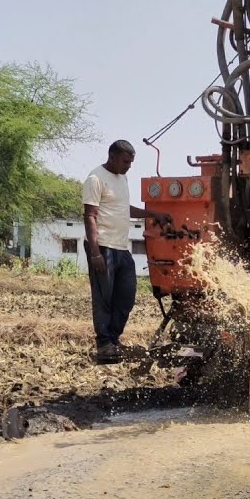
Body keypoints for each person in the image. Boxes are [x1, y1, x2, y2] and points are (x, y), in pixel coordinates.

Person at [82, 140, 171, 362]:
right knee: (104, 298)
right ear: (112, 156)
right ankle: (104, 345)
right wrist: (95, 253)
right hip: (103, 246)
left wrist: (153, 214)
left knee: (126, 297)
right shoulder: (95, 178)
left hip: (121, 247)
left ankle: (113, 339)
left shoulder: (122, 178)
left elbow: (124, 208)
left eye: (131, 162)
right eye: (125, 161)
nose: (129, 166)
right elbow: (90, 215)